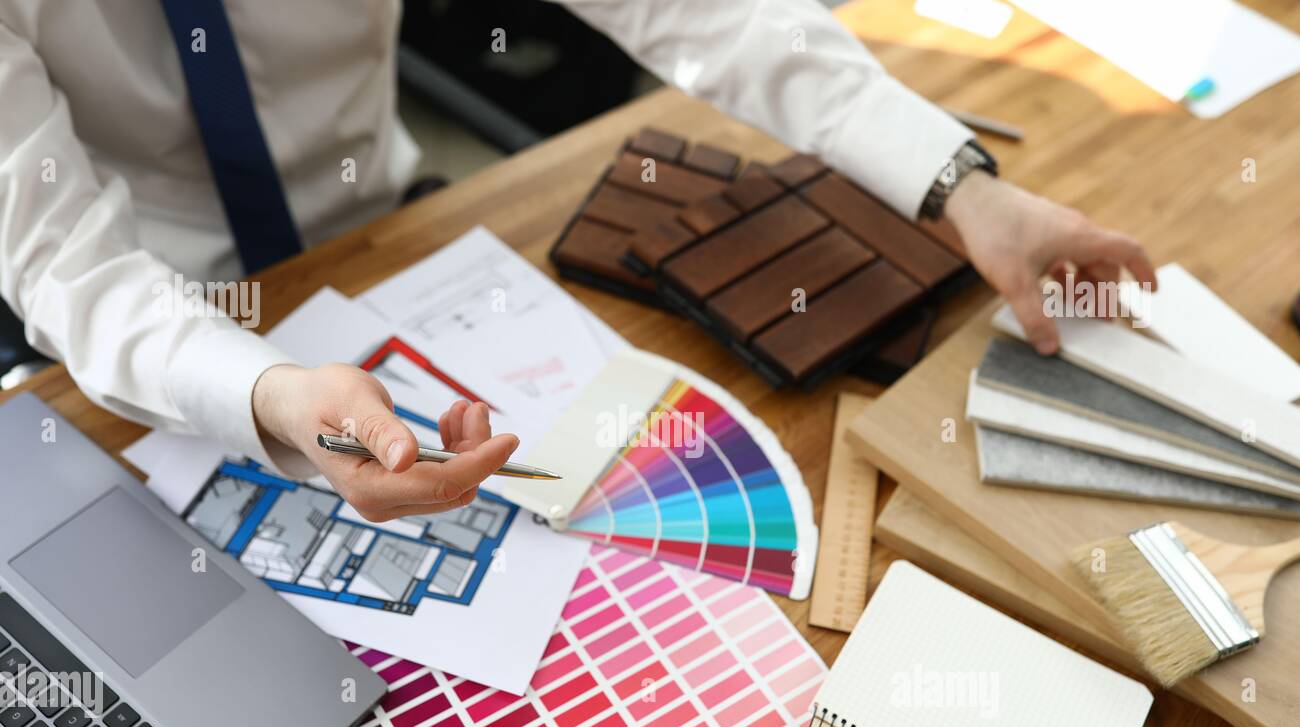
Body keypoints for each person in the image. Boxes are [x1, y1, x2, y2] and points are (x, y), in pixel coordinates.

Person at [0, 0, 1155, 522]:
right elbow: (64, 268)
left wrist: (958, 186)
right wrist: (262, 391)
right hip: (161, 332)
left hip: (385, 220)